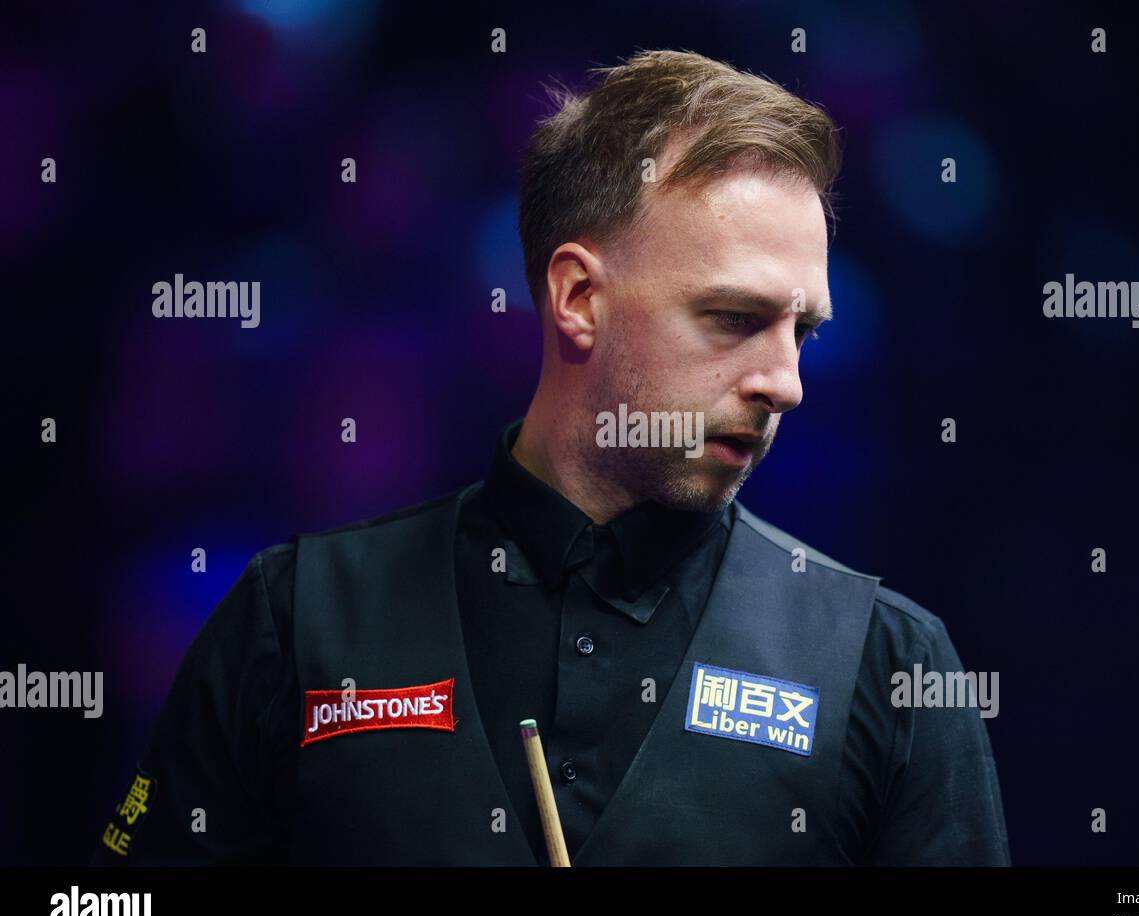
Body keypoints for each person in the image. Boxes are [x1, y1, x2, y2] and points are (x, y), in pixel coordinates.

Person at [92, 49, 1010, 866]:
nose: (785, 382)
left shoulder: (887, 659)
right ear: (577, 298)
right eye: (734, 318)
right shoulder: (289, 620)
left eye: (802, 331)